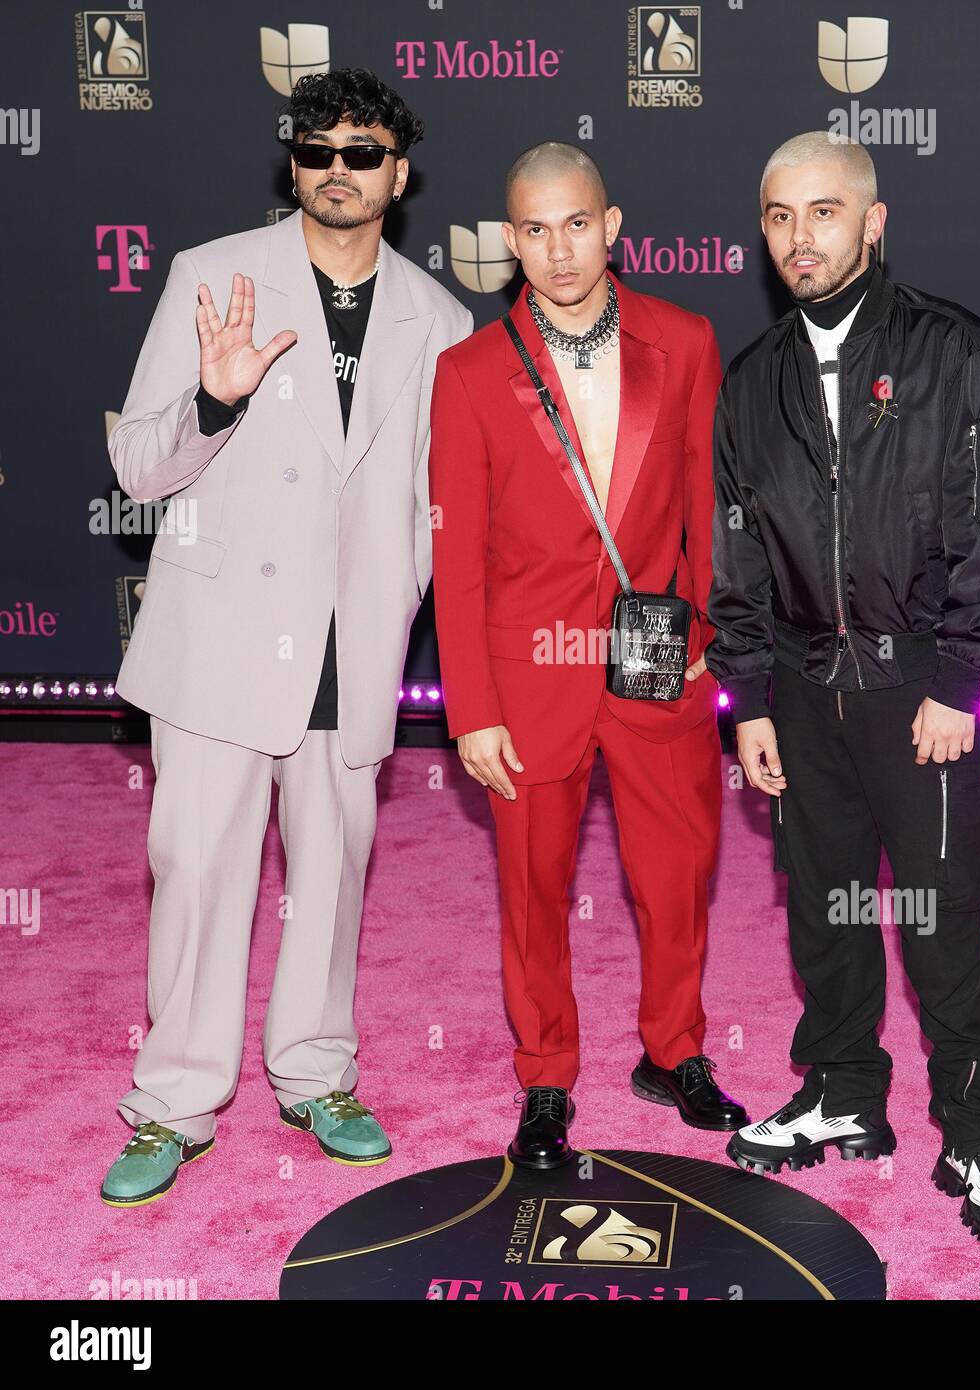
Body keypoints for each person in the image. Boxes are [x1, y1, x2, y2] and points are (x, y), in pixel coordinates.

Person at [100, 68, 472, 1206]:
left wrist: (402, 591)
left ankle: (317, 1074)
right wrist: (213, 402)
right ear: (293, 166)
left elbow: (427, 501)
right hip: (220, 637)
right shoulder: (213, 278)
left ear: (398, 175)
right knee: (198, 874)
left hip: (348, 646)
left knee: (332, 874)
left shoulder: (443, 320)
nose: (339, 172)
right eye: (318, 152)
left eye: (364, 154)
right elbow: (136, 468)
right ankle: (171, 1102)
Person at [707, 131, 980, 1241]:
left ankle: (976, 1124)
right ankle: (844, 1093)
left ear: (872, 218)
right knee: (826, 908)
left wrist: (958, 676)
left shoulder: (958, 353)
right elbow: (738, 550)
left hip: (920, 694)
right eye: (777, 216)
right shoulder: (752, 380)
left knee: (939, 916)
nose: (798, 236)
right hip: (802, 694)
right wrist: (748, 694)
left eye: (821, 212)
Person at [429, 142, 747, 1169]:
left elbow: (708, 506)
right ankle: (546, 1075)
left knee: (677, 873)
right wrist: (470, 705)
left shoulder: (687, 339)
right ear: (507, 241)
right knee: (531, 888)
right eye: (534, 230)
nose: (558, 251)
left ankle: (674, 1052)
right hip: (526, 680)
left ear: (613, 226)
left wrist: (707, 637)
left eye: (577, 225)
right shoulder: (468, 372)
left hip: (660, 661)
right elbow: (457, 549)